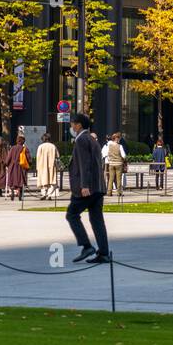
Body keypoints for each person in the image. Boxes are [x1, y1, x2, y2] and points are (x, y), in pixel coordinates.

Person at [65, 113, 109, 263]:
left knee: (71, 214)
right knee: (97, 220)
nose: (71, 126)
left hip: (87, 188)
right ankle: (103, 253)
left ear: (78, 125)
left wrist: (84, 185)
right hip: (98, 187)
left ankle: (86, 246)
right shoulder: (92, 139)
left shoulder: (81, 139)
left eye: (72, 124)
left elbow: (84, 164)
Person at [6, 134, 30, 202]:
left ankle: (12, 189)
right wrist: (28, 166)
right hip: (21, 167)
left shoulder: (12, 148)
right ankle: (19, 191)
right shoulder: (25, 149)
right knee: (20, 180)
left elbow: (8, 158)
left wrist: (6, 164)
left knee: (13, 179)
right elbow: (28, 159)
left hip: (12, 166)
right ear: (23, 142)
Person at [36, 133, 59, 200]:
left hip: (42, 166)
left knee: (43, 181)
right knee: (52, 181)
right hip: (51, 166)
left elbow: (38, 157)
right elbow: (57, 156)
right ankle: (49, 194)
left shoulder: (40, 146)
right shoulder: (53, 146)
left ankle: (43, 194)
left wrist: (37, 167)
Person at [104, 133, 126, 197]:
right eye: (118, 138)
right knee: (118, 179)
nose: (119, 139)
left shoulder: (109, 146)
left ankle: (109, 192)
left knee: (111, 178)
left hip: (111, 164)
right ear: (116, 138)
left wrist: (111, 159)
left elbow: (107, 154)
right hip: (119, 164)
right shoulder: (120, 146)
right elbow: (123, 155)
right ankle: (119, 193)